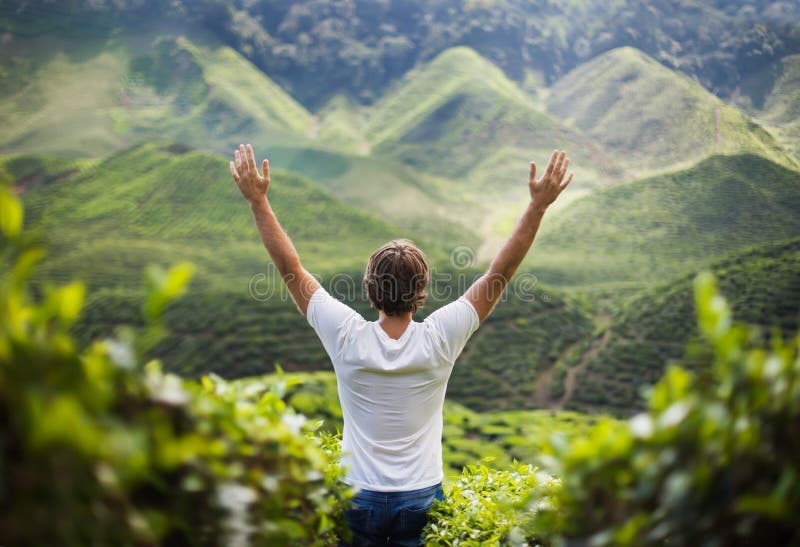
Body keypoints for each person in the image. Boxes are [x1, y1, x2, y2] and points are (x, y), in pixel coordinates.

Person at [229, 144, 573, 546]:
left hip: (356, 493)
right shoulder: (441, 337)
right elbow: (501, 271)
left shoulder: (345, 335)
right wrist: (537, 206)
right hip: (421, 495)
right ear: (422, 289)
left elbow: (290, 269)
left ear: (369, 288)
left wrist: (257, 200)